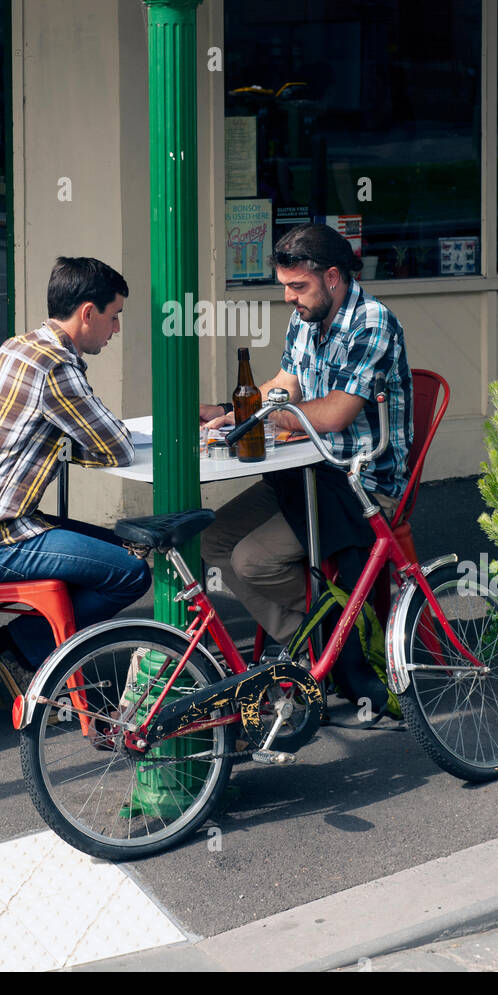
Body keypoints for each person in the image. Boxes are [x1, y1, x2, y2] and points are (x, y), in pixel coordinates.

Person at [200, 224, 413, 708]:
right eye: (285, 287)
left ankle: (337, 640)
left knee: (251, 559)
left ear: (333, 277)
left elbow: (336, 412)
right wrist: (233, 415)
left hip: (362, 481)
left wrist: (270, 415)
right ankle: (315, 645)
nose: (289, 297)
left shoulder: (373, 321)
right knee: (212, 539)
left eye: (298, 286)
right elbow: (287, 384)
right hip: (310, 470)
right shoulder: (306, 317)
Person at [0, 256, 151, 707]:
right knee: (132, 571)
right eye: (114, 317)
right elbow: (117, 446)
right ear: (87, 314)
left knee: (118, 546)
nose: (115, 330)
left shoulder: (18, 346)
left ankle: (18, 646)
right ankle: (15, 649)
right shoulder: (56, 366)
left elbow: (61, 432)